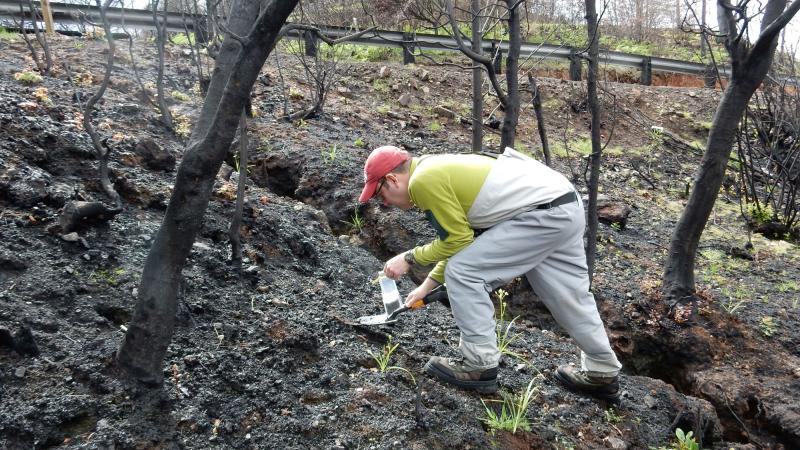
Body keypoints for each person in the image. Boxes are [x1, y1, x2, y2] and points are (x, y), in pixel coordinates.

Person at [358, 145, 622, 401]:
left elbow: (458, 243)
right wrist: (426, 286)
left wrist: (408, 258)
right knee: (569, 295)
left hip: (542, 212)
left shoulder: (422, 181)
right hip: (564, 205)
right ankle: (602, 370)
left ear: (392, 179)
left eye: (380, 195)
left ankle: (478, 364)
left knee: (465, 273)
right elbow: (466, 241)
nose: (385, 202)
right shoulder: (435, 168)